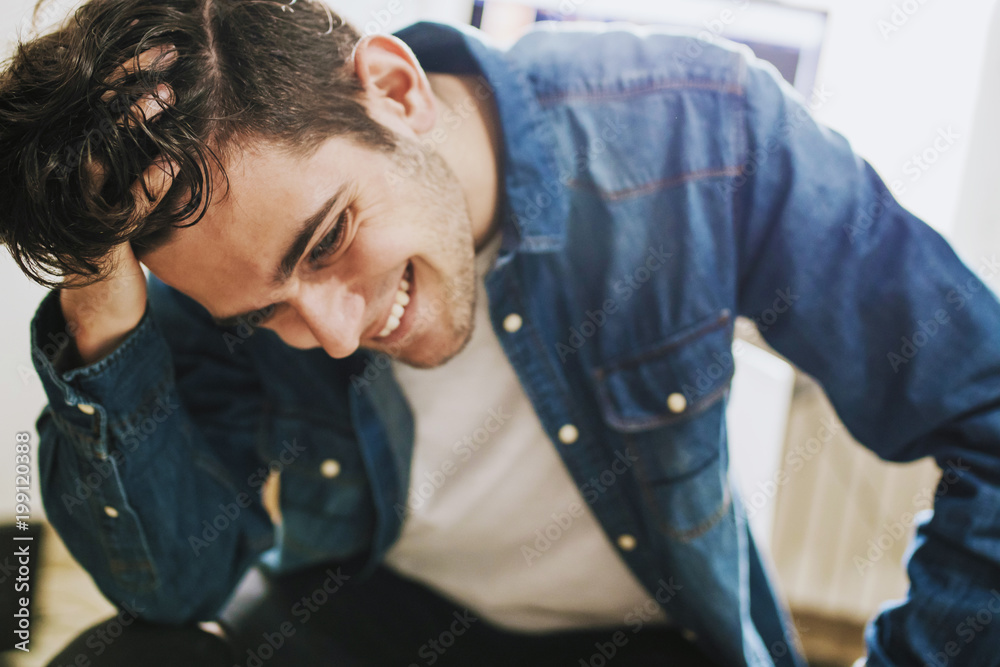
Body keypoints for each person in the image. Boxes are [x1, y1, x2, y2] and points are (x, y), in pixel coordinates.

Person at [3, 0, 999, 665]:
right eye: (267, 316)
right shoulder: (218, 250)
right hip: (379, 608)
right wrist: (96, 287)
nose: (336, 335)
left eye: (328, 241)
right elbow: (179, 585)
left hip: (650, 634)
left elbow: (986, 412)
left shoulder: (694, 124)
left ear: (396, 91)